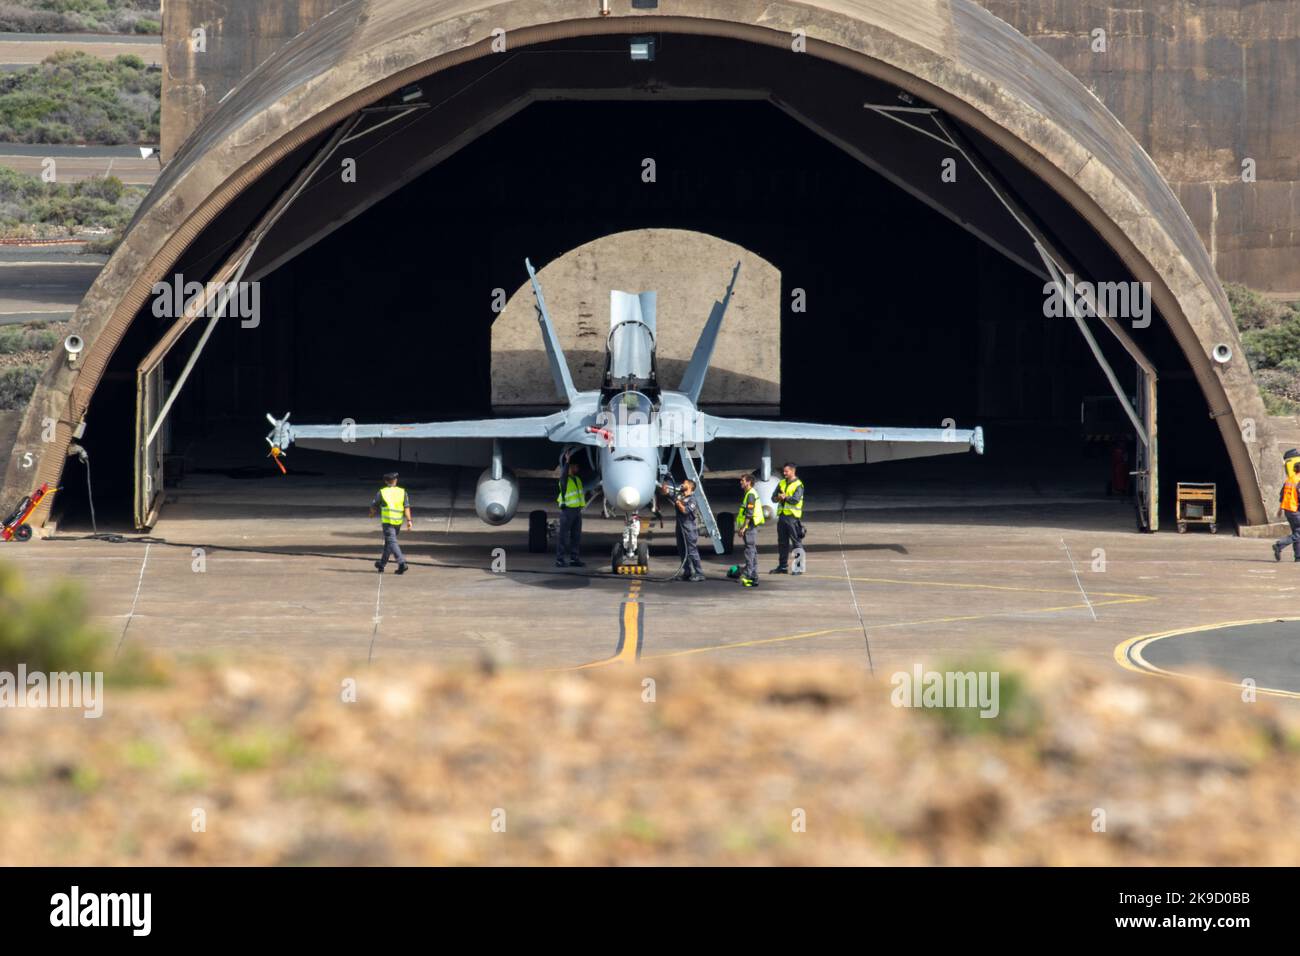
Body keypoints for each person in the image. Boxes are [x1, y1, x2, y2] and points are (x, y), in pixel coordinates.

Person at [660, 478, 705, 582]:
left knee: (692, 551)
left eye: (684, 483)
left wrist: (677, 501)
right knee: (682, 550)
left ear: (689, 486)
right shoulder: (680, 496)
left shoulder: (692, 499)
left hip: (689, 527)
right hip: (680, 526)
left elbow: (685, 511)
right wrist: (665, 489)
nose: (681, 484)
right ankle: (687, 572)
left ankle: (699, 573)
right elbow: (668, 494)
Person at [370, 471, 412, 574]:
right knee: (389, 543)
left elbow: (374, 506)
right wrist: (409, 520)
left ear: (386, 481)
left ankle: (402, 563)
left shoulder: (382, 492)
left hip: (388, 522)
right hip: (398, 522)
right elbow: (406, 507)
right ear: (395, 481)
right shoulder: (402, 492)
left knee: (392, 542)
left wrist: (372, 513)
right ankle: (382, 564)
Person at [770, 461, 806, 574]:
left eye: (786, 471)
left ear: (793, 471)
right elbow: (773, 498)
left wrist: (785, 497)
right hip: (782, 517)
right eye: (784, 471)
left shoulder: (798, 485)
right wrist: (778, 498)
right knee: (782, 543)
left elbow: (795, 500)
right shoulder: (781, 483)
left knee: (796, 543)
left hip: (792, 518)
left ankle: (799, 568)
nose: (784, 473)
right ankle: (782, 566)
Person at [555, 458, 586, 567]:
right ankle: (560, 559)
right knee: (563, 536)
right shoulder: (564, 480)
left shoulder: (577, 479)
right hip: (567, 510)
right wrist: (567, 462)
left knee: (576, 536)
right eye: (575, 466)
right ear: (570, 468)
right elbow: (564, 474)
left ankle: (574, 558)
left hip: (577, 511)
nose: (578, 468)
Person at [737, 472, 765, 588]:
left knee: (749, 550)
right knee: (752, 550)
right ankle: (753, 574)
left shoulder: (750, 495)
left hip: (750, 526)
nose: (741, 482)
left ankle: (749, 574)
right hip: (750, 526)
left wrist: (744, 527)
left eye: (742, 480)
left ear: (748, 482)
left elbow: (749, 513)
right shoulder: (749, 493)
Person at [1273, 451, 1300, 561]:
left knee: (1297, 532)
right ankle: (1280, 545)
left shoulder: (1290, 480)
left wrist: (1280, 509)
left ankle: (1298, 557)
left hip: (1288, 510)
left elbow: (1282, 496)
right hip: (1295, 510)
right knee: (1298, 533)